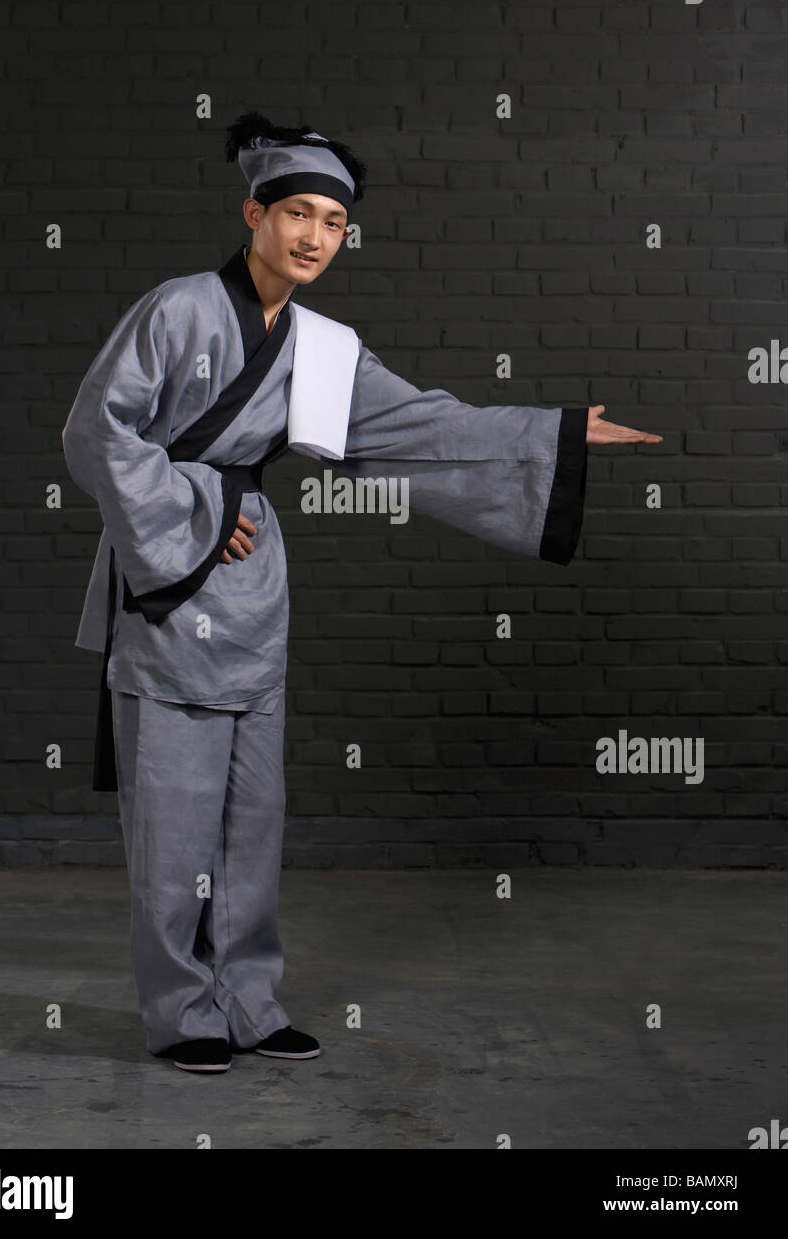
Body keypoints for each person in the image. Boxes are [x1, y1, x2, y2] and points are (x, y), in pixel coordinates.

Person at [61, 112, 663, 1073]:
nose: (312, 237)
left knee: (252, 821)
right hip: (174, 586)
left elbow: (421, 425)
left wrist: (552, 433)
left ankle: (250, 1004)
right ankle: (185, 1014)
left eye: (332, 224)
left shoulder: (322, 349)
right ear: (252, 213)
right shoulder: (176, 310)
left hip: (253, 593)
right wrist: (204, 506)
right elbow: (96, 434)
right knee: (176, 824)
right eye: (295, 213)